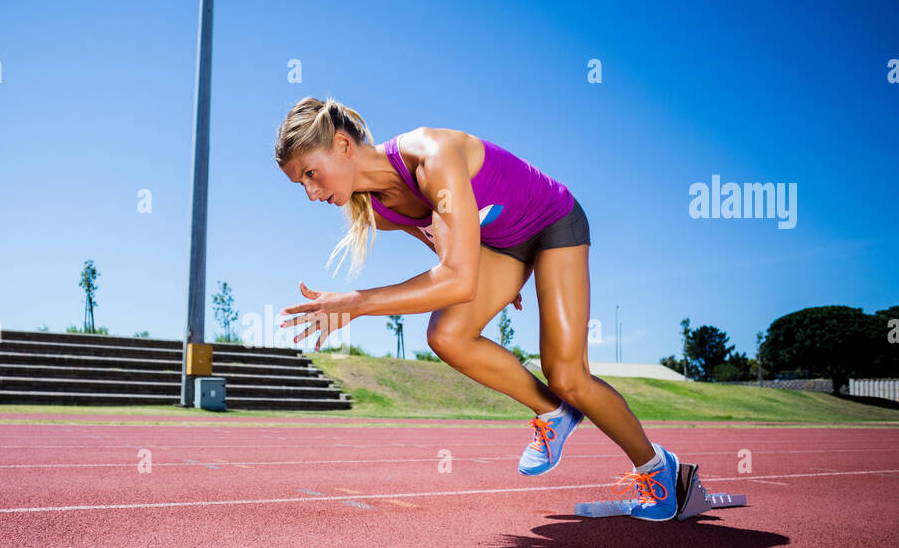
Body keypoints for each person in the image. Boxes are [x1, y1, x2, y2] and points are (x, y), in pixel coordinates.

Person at [275, 96, 678, 520]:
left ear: (342, 145)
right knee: (446, 335)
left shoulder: (432, 156)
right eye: (301, 184)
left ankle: (656, 468)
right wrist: (488, 274)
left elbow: (457, 280)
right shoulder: (378, 210)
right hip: (501, 245)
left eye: (310, 174)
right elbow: (446, 248)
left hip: (552, 222)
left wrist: (357, 304)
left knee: (567, 375)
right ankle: (553, 412)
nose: (311, 193)